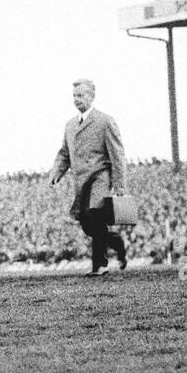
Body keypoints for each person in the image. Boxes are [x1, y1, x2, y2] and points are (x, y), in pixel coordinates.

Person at [49, 78, 129, 276]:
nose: (77, 100)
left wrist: (120, 184)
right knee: (87, 223)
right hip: (80, 181)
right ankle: (115, 241)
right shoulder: (70, 125)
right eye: (74, 96)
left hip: (100, 176)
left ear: (92, 97)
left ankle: (99, 265)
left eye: (81, 95)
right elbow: (64, 153)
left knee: (96, 214)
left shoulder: (105, 121)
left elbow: (117, 153)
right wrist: (56, 172)